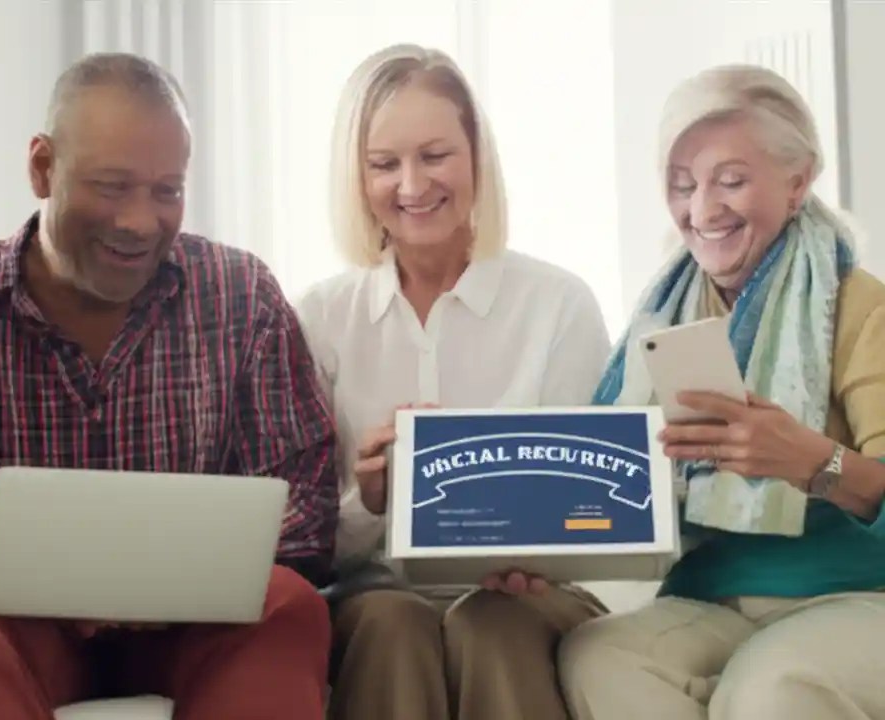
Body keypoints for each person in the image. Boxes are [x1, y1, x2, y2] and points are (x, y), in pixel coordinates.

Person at [0, 52, 339, 720]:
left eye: (167, 190)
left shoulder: (243, 294)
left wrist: (157, 568)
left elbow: (308, 512)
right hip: (20, 631)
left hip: (198, 628)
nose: (139, 221)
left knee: (291, 604)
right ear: (43, 168)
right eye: (112, 186)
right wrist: (13, 541)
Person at [296, 44, 613, 720]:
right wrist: (374, 499)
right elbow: (306, 538)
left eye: (435, 155)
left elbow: (596, 511)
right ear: (357, 177)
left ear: (477, 158)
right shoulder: (322, 316)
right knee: (389, 624)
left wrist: (536, 547)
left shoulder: (557, 304)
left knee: (490, 621)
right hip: (375, 594)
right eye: (384, 164)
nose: (412, 186)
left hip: (532, 595)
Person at [559, 64, 885, 720]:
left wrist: (813, 463)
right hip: (707, 600)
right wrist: (542, 549)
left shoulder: (858, 307)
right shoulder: (662, 325)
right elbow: (600, 489)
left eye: (731, 181)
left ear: (798, 182)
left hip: (856, 596)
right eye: (682, 186)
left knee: (768, 692)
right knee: (599, 656)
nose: (702, 210)